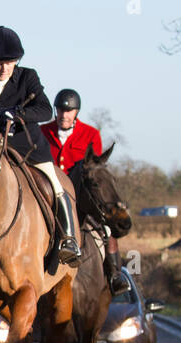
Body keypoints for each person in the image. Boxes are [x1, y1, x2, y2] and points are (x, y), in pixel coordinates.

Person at [0, 27, 82, 271]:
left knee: (56, 185)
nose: (4, 68)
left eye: (9, 62)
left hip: (28, 146)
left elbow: (45, 110)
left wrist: (17, 114)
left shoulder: (28, 77)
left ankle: (68, 240)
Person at [41, 88, 130, 295]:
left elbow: (95, 170)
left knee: (106, 228)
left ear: (76, 113)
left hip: (81, 197)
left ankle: (115, 274)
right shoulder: (44, 132)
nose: (64, 115)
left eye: (69, 111)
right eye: (61, 111)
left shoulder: (91, 134)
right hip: (50, 195)